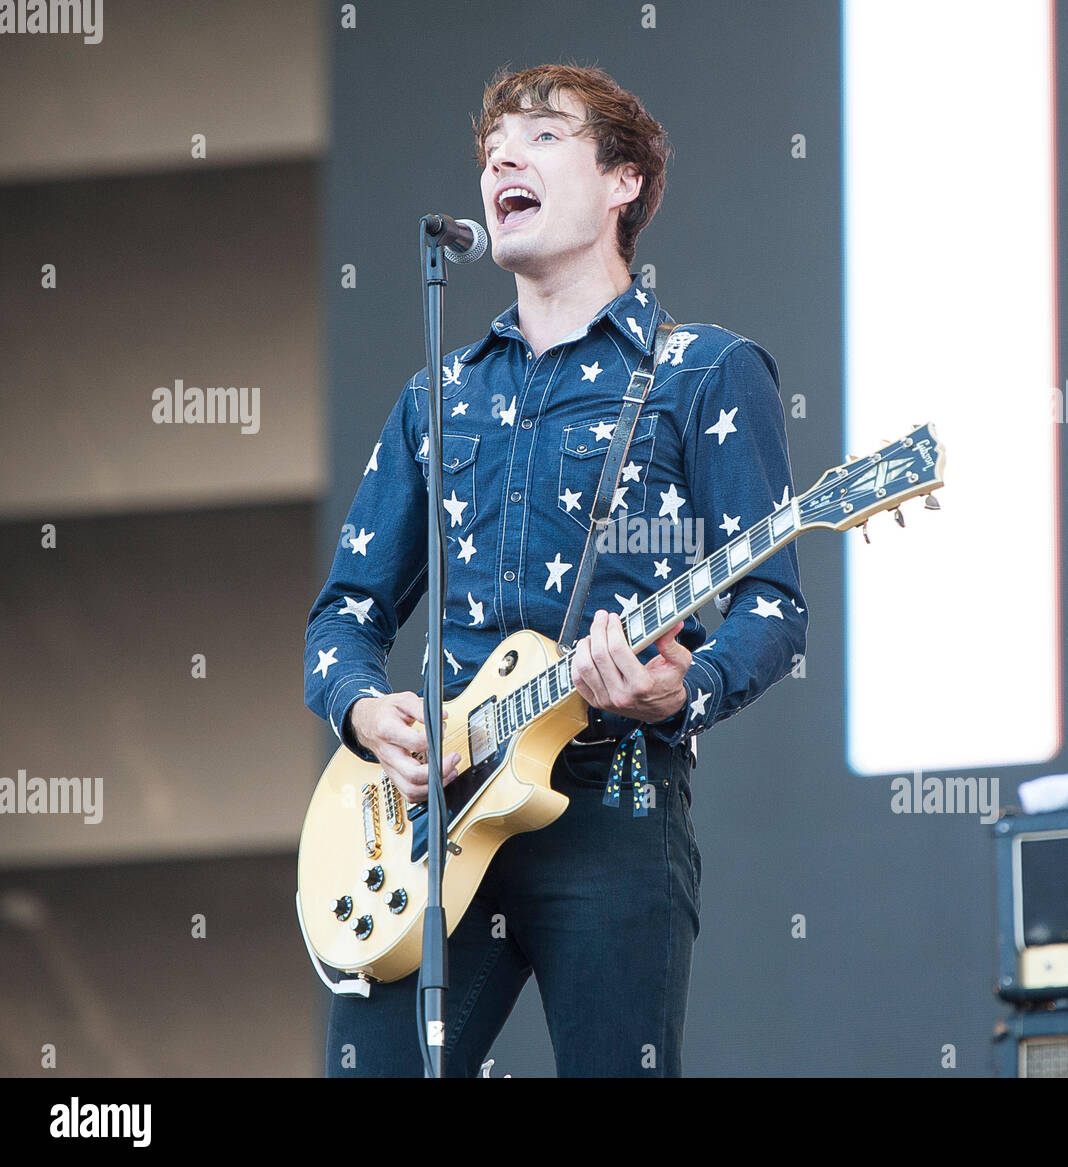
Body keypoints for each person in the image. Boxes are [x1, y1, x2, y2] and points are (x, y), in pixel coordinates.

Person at [304, 62, 807, 1077]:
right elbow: (342, 620)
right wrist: (364, 714)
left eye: (540, 136)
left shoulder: (701, 369)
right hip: (431, 818)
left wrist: (681, 689)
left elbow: (772, 607)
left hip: (614, 805)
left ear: (623, 181)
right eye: (493, 147)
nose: (501, 157)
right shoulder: (434, 397)